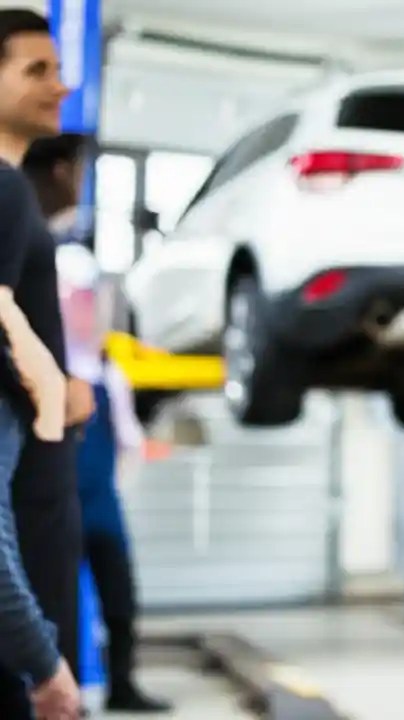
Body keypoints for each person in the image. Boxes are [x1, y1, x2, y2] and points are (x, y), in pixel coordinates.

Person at [26, 136, 173, 713]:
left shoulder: (109, 373)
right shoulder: (48, 368)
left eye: (92, 298)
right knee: (54, 601)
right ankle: (61, 697)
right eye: (77, 298)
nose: (87, 307)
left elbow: (131, 438)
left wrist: (149, 452)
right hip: (56, 503)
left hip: (104, 503)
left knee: (120, 596)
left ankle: (123, 684)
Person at [0, 8, 96, 719]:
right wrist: (42, 660)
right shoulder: (3, 190)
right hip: (24, 531)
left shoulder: (17, 194)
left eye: (60, 69)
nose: (61, 87)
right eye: (38, 70)